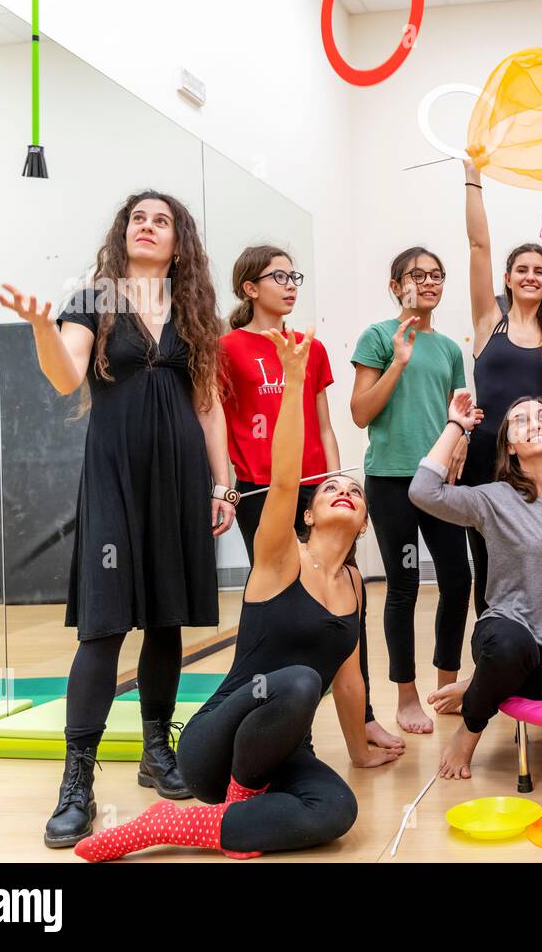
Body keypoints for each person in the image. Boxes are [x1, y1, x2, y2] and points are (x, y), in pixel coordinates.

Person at [73, 328, 401, 862]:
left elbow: (349, 679)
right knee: (297, 681)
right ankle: (235, 803)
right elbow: (287, 480)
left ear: (363, 523)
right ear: (309, 514)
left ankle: (181, 824)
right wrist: (294, 382)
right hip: (215, 746)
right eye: (332, 490)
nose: (346, 490)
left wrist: (361, 752)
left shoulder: (355, 585)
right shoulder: (279, 558)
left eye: (356, 492)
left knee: (337, 811)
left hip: (283, 749)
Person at [0, 190, 232, 848]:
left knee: (166, 620)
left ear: (178, 241)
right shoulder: (94, 299)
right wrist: (44, 329)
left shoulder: (193, 311)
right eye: (139, 218)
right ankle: (78, 778)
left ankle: (157, 749)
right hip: (114, 477)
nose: (149, 227)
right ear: (123, 233)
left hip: (182, 477)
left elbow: (208, 404)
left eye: (162, 220)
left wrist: (221, 483)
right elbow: (67, 378)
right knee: (103, 628)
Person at [219, 247, 398, 751]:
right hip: (261, 491)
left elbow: (323, 423)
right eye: (278, 276)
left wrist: (337, 482)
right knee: (279, 611)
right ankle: (279, 725)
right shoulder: (226, 348)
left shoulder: (311, 348)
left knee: (348, 601)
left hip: (316, 488)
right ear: (250, 288)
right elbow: (218, 420)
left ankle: (361, 718)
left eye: (293, 275)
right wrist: (225, 485)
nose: (290, 283)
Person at [409, 393, 542, 780]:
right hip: (506, 633)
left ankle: (486, 683)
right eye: (521, 420)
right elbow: (423, 492)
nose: (536, 422)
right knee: (512, 649)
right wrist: (456, 426)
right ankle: (471, 726)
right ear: (510, 446)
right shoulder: (493, 499)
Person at [351, 247, 473, 734]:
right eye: (416, 275)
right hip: (391, 482)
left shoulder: (448, 349)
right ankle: (405, 698)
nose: (428, 282)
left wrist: (462, 436)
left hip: (439, 484)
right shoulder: (378, 337)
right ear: (394, 283)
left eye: (436, 275)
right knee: (402, 587)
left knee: (458, 581)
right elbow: (362, 412)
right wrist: (398, 362)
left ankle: (446, 687)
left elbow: (456, 413)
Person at [462, 160, 542, 618]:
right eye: (521, 269)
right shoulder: (490, 322)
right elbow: (479, 244)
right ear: (507, 278)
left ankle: (536, 643)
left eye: (539, 271)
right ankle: (490, 646)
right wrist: (473, 176)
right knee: (487, 559)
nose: (530, 276)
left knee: (535, 554)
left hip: (534, 460)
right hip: (485, 453)